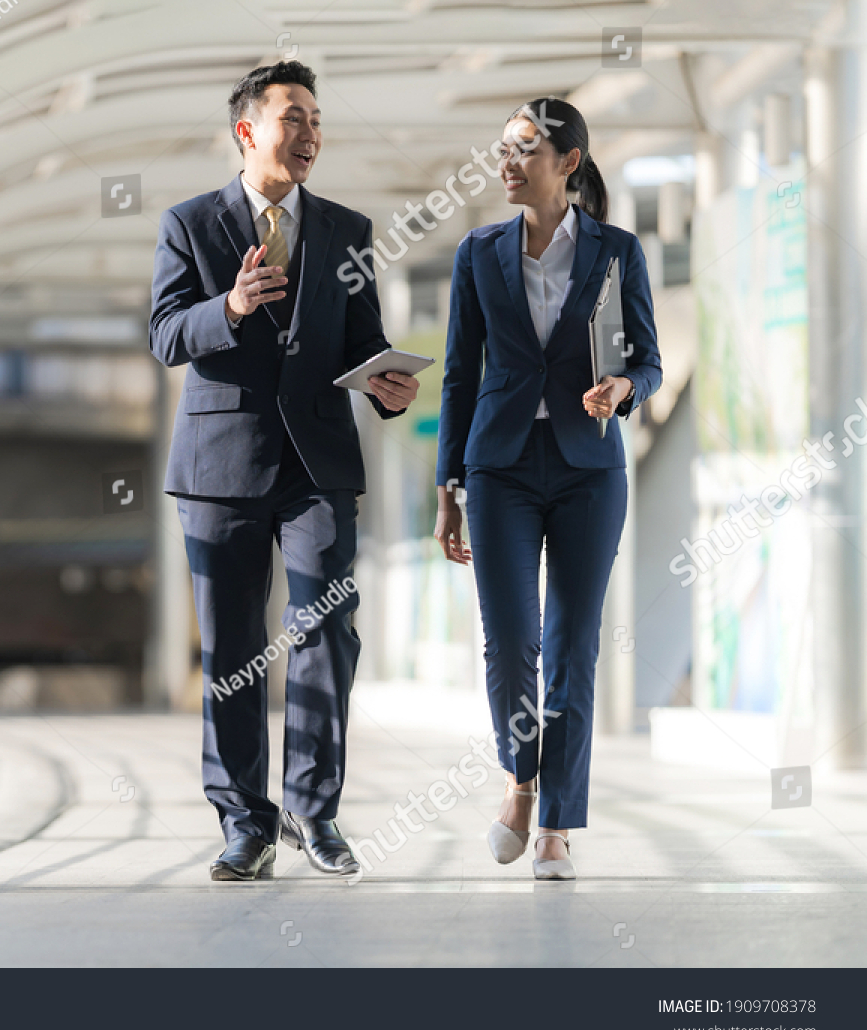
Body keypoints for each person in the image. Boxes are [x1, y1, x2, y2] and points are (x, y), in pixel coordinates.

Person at [149, 61, 418, 881]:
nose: (309, 135)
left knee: (326, 628)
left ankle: (314, 809)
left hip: (318, 467)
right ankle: (243, 822)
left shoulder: (346, 230)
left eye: (316, 120)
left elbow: (361, 339)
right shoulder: (189, 223)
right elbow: (165, 335)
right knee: (232, 647)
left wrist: (387, 383)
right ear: (248, 131)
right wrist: (227, 309)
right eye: (292, 119)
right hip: (219, 465)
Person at [433, 98, 662, 880]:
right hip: (497, 466)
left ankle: (558, 824)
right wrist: (446, 484)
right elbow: (461, 372)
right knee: (510, 646)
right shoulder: (477, 251)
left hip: (587, 469)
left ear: (567, 163)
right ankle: (520, 780)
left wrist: (622, 389)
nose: (507, 162)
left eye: (525, 149)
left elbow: (650, 364)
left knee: (572, 647)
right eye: (502, 148)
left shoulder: (617, 250)